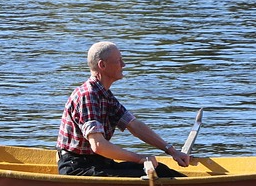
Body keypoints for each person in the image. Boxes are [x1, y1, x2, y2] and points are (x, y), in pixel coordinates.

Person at [57, 41, 193, 178]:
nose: (123, 65)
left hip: (98, 163)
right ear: (102, 65)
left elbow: (134, 125)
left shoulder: (105, 96)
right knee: (146, 175)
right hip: (77, 167)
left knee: (161, 170)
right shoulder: (88, 96)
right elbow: (98, 145)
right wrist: (139, 158)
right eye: (118, 61)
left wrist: (171, 151)